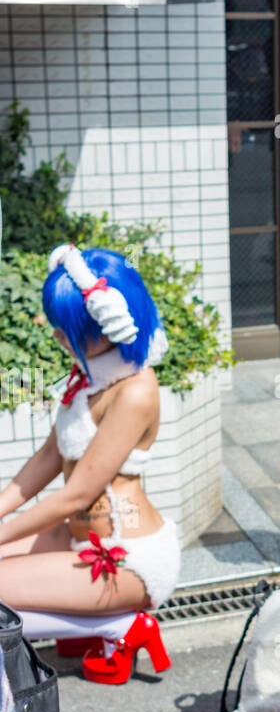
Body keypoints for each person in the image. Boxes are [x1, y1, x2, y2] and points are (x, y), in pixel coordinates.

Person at [0, 245, 179, 685]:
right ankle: (83, 626)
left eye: (70, 329)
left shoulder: (136, 388)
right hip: (77, 536)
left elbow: (76, 494)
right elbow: (46, 459)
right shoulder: (91, 374)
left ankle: (120, 627)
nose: (58, 336)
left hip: (127, 557)